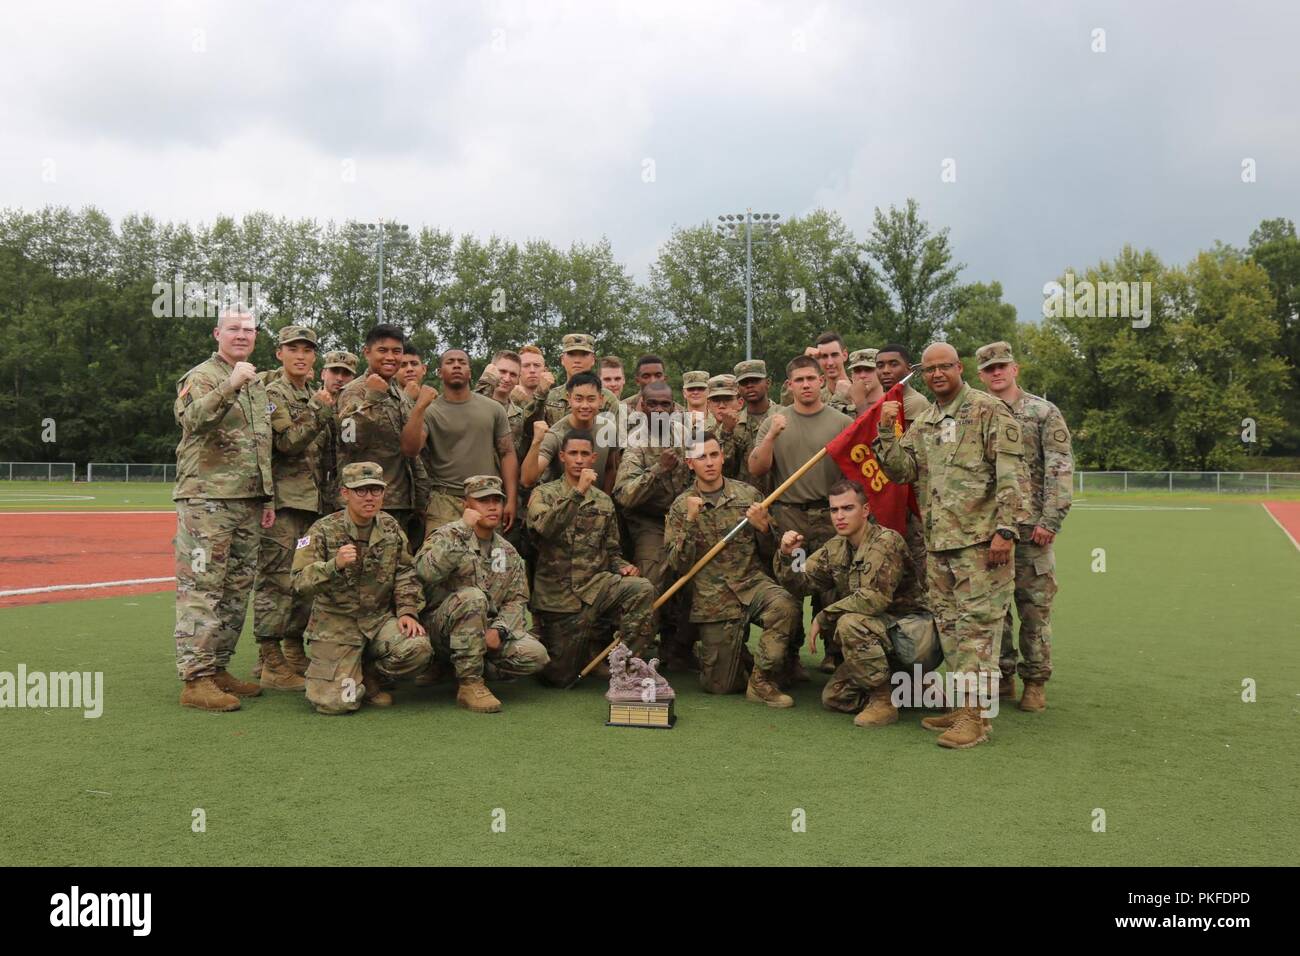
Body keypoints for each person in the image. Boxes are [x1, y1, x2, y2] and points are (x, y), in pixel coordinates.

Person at [874, 342, 1024, 750]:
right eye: (930, 369)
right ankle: (963, 707)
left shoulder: (987, 410)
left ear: (960, 368)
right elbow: (902, 470)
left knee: (979, 630)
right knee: (952, 628)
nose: (937, 374)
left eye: (945, 367)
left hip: (981, 543)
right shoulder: (926, 419)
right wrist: (886, 433)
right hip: (940, 543)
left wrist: (1005, 532)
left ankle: (976, 718)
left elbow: (1012, 475)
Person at [172, 308, 275, 712]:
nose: (242, 335)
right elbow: (191, 419)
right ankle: (195, 679)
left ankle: (216, 668)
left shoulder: (255, 382)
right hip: (206, 500)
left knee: (235, 589)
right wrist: (229, 385)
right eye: (234, 329)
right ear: (217, 333)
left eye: (249, 330)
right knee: (202, 586)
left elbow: (261, 444)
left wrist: (267, 497)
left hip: (247, 501)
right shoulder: (204, 376)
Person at [774, 480, 929, 726]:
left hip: (914, 636)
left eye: (847, 508)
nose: (839, 516)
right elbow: (803, 582)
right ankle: (909, 689)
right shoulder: (836, 547)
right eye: (834, 510)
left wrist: (824, 616)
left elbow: (874, 598)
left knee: (849, 623)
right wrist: (788, 555)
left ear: (865, 510)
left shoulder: (886, 542)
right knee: (834, 698)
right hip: (879, 635)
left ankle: (883, 701)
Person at [664, 432, 799, 706]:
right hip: (713, 598)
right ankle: (739, 659)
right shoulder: (681, 506)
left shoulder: (747, 495)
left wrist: (763, 527)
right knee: (721, 686)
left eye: (714, 455)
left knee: (785, 605)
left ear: (723, 457)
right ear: (690, 463)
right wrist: (691, 520)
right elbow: (678, 564)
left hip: (751, 584)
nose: (710, 462)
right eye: (702, 457)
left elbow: (771, 550)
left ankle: (761, 682)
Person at [976, 340, 1073, 712]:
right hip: (991, 528)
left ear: (1014, 369)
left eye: (1002, 366)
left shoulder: (1042, 412)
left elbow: (1059, 470)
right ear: (980, 375)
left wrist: (1051, 519)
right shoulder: (979, 412)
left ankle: (1035, 680)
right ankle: (1003, 677)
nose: (996, 373)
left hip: (1033, 529)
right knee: (995, 611)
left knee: (1034, 610)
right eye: (989, 368)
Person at [291, 462, 431, 715]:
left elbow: (405, 572)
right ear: (345, 494)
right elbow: (299, 582)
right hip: (337, 622)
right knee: (335, 705)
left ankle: (370, 675)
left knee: (418, 648)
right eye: (361, 491)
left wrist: (408, 611)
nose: (369, 497)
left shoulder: (390, 527)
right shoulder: (321, 530)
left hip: (377, 619)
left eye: (375, 491)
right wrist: (334, 565)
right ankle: (349, 671)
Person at [749, 355, 853, 674]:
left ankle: (834, 652)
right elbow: (756, 468)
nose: (806, 384)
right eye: (799, 380)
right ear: (789, 385)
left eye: (811, 378)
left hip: (830, 516)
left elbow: (857, 472)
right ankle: (790, 654)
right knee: (793, 581)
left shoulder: (841, 423)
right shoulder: (776, 421)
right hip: (791, 517)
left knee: (834, 582)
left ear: (822, 381)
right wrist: (771, 436)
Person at [526, 429, 656, 686]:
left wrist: (623, 567)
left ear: (593, 458)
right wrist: (577, 493)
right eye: (573, 453)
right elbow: (546, 529)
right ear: (562, 456)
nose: (579, 459)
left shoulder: (604, 502)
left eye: (585, 454)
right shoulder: (544, 494)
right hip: (559, 598)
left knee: (641, 588)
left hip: (595, 587)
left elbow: (612, 551)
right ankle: (564, 643)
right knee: (560, 679)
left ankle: (628, 668)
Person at [415, 475, 549, 713]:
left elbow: (517, 600)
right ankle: (469, 684)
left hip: (485, 633)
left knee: (535, 655)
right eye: (482, 501)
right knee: (472, 597)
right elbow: (426, 572)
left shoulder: (508, 551)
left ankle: (468, 667)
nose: (492, 507)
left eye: (496, 501)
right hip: (441, 632)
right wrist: (462, 529)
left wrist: (499, 630)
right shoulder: (447, 535)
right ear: (467, 505)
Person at [251, 325, 335, 690]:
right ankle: (270, 659)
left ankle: (292, 649)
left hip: (311, 504)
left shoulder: (309, 394)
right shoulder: (274, 393)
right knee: (276, 579)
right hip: (284, 503)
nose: (301, 355)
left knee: (304, 577)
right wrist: (319, 407)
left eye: (308, 350)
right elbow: (288, 443)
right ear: (279, 354)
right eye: (293, 349)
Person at [612, 381, 695, 670]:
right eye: (653, 404)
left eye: (665, 404)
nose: (659, 410)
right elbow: (624, 496)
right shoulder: (635, 443)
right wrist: (659, 469)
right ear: (642, 406)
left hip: (686, 519)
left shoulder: (687, 437)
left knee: (695, 578)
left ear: (674, 407)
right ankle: (633, 654)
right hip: (650, 522)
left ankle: (678, 648)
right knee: (651, 581)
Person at [402, 348, 518, 539]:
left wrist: (511, 500)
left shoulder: (493, 409)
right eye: (450, 362)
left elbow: (507, 454)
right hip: (445, 501)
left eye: (462, 362)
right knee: (439, 561)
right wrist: (419, 407)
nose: (456, 365)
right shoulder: (430, 411)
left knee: (484, 562)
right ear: (439, 372)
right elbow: (410, 449)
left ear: (470, 372)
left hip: (485, 498)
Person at [336, 324, 426, 546]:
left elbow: (411, 453)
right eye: (383, 350)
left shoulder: (399, 394)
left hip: (400, 501)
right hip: (365, 503)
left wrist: (421, 497)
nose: (390, 357)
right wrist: (373, 397)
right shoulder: (355, 391)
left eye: (396, 351)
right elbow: (350, 441)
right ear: (367, 352)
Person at [874, 343, 931, 579]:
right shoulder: (881, 402)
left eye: (893, 364)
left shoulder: (915, 403)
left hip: (911, 497)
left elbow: (913, 456)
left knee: (916, 567)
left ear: (908, 368)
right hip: (886, 492)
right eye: (880, 365)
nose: (885, 370)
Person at [522, 371, 618, 493]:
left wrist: (606, 500)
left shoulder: (607, 428)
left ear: (600, 400)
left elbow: (610, 468)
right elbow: (527, 480)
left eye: (591, 399)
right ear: (569, 399)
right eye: (578, 399)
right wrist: (536, 442)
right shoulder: (556, 435)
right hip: (561, 506)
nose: (584, 405)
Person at [539, 333, 621, 425]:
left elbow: (619, 436)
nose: (577, 360)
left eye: (583, 354)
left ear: (593, 359)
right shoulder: (550, 397)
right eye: (571, 354)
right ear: (562, 359)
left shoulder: (608, 399)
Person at [729, 359, 777, 495]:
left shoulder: (783, 416)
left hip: (783, 500)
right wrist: (726, 432)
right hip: (746, 501)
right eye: (744, 383)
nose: (749, 386)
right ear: (738, 389)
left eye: (755, 381)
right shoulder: (734, 424)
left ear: (767, 383)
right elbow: (727, 470)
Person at [319, 350, 358, 511]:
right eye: (335, 371)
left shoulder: (357, 410)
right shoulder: (307, 402)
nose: (340, 378)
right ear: (323, 373)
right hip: (311, 493)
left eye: (346, 373)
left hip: (344, 494)